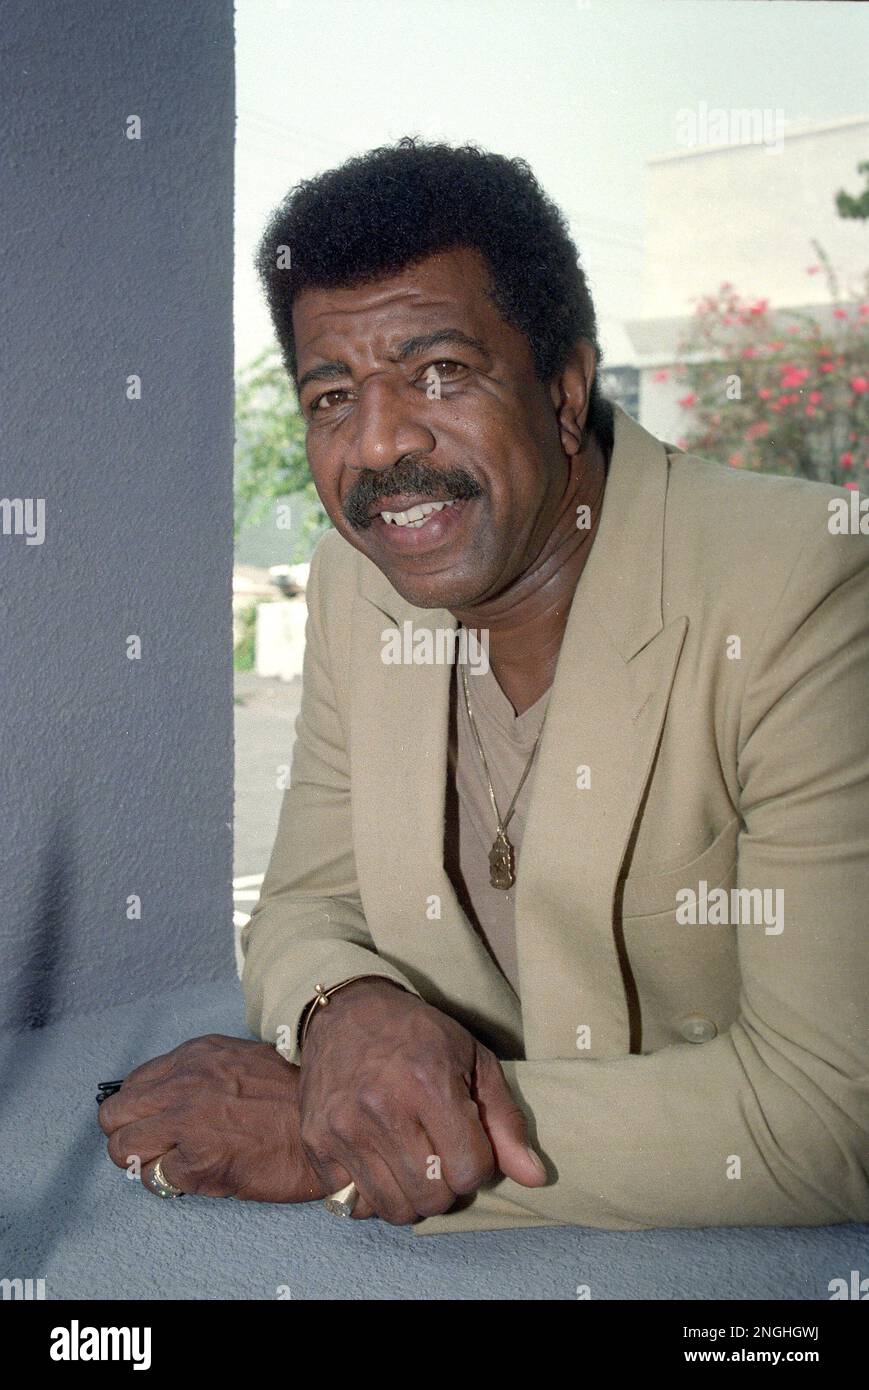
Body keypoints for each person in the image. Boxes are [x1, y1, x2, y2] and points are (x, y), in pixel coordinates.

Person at [100, 140, 869, 1234]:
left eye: (438, 373)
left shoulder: (800, 584)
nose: (378, 445)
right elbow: (306, 904)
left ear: (563, 391)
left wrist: (349, 1141)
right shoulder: (351, 588)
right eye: (331, 394)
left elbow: (828, 1115)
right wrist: (342, 1009)